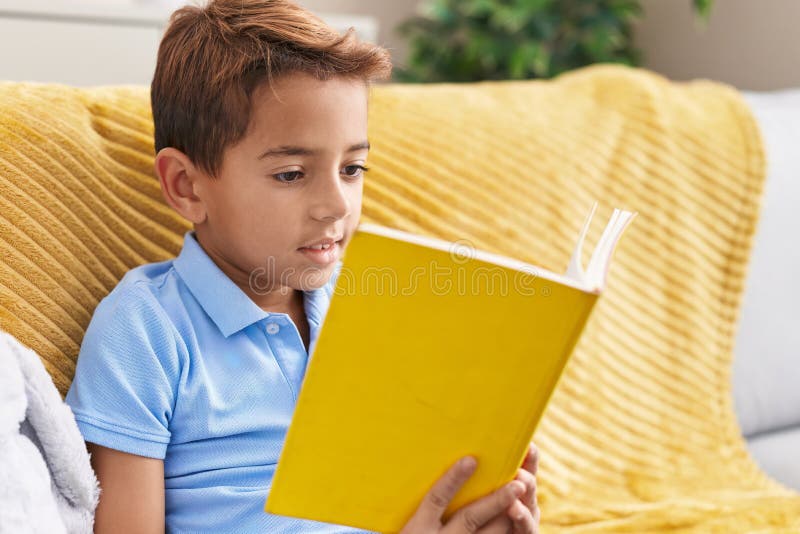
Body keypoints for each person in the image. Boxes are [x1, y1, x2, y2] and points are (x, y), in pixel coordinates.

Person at [65, 1, 540, 532]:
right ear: (186, 185)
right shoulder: (144, 329)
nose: (336, 205)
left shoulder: (373, 306)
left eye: (353, 168)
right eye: (292, 174)